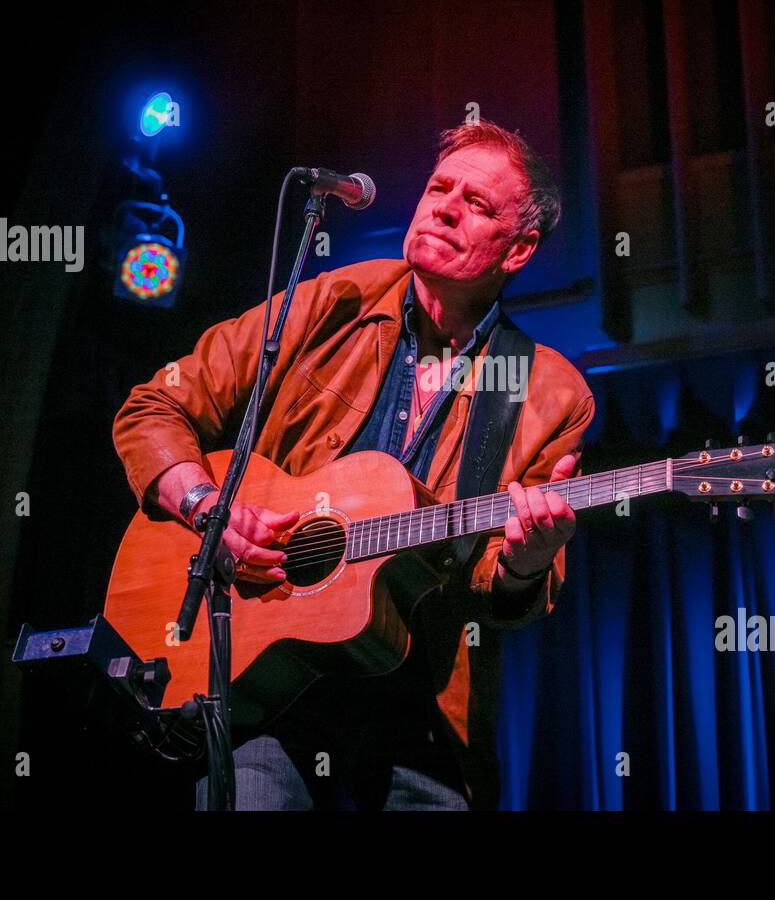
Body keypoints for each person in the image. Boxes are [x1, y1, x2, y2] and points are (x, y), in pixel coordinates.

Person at [112, 120, 595, 810]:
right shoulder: (332, 301)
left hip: (414, 722)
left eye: (477, 204)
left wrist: (525, 561)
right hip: (264, 700)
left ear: (518, 250)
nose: (444, 207)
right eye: (438, 188)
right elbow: (154, 406)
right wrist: (203, 507)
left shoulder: (547, 393)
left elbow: (500, 590)